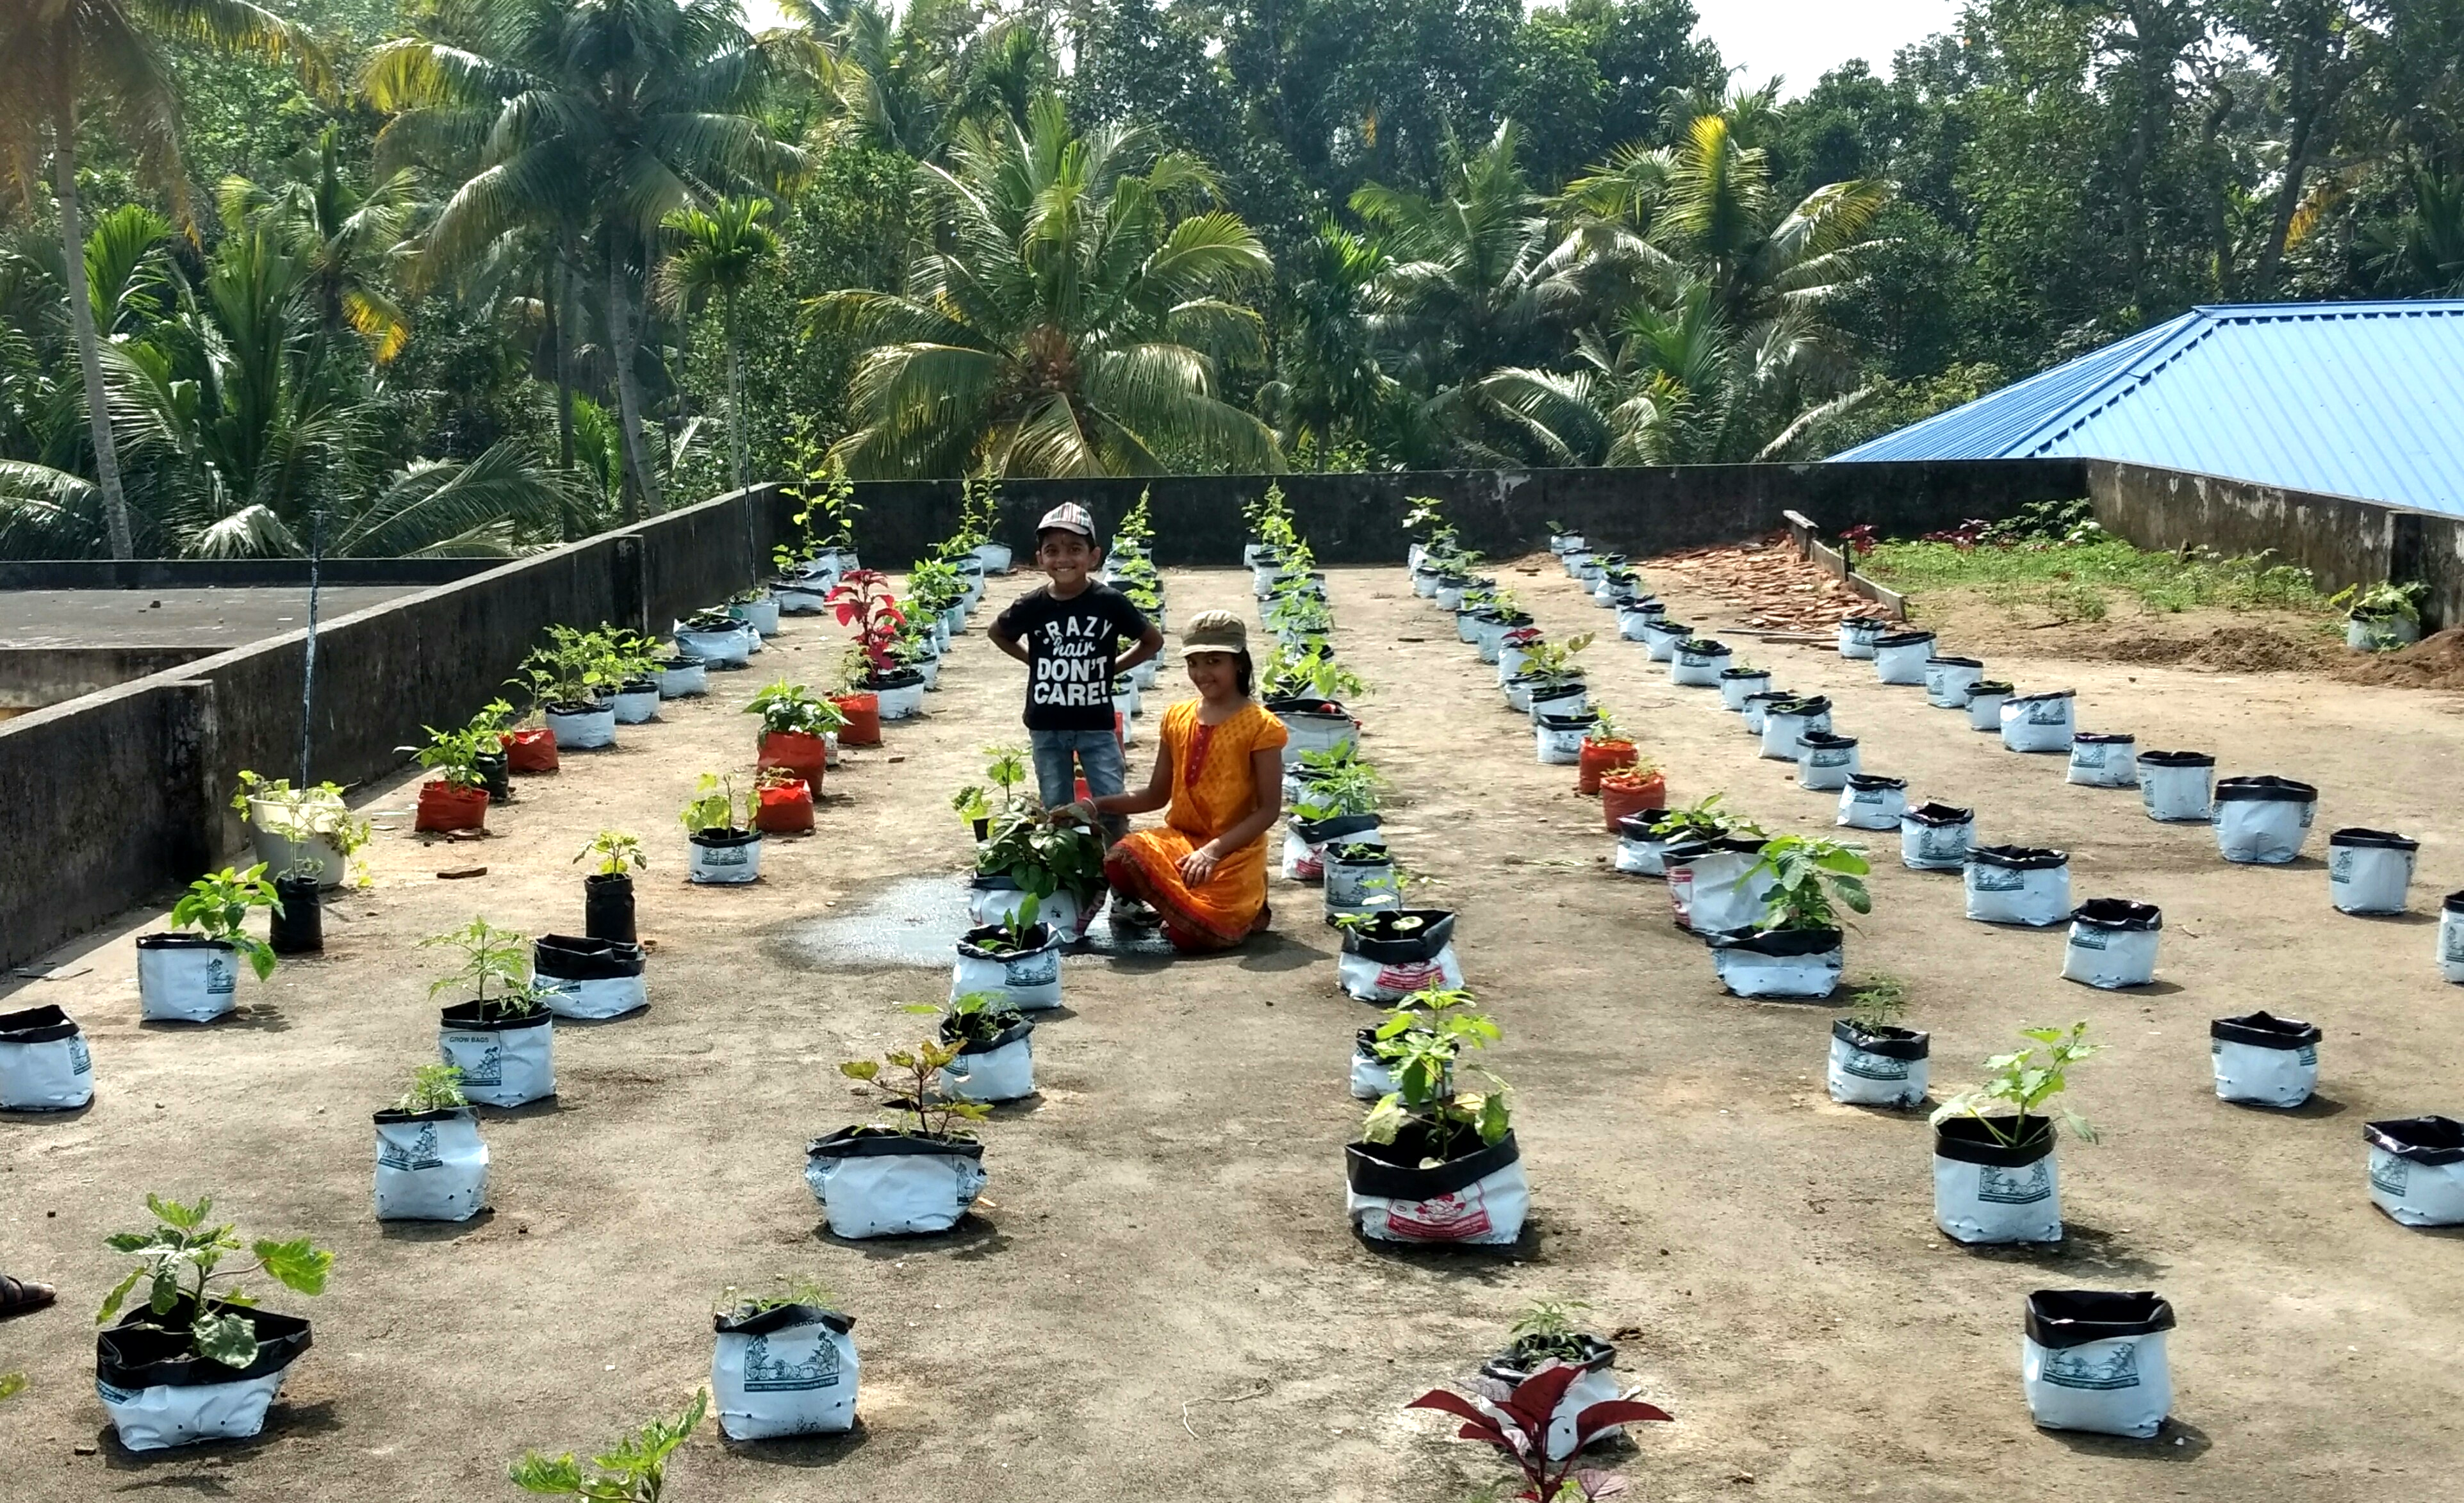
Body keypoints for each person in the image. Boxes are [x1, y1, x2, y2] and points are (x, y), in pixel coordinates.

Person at [1059, 610, 1288, 953]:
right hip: (1181, 845)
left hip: (1233, 854)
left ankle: (1222, 908)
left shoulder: (1262, 726)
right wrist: (1094, 804)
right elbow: (1155, 795)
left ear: (1239, 663)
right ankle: (1185, 907)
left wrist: (1213, 851)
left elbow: (1269, 810)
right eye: (1194, 662)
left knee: (1190, 937)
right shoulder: (1176, 717)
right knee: (1121, 860)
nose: (1201, 673)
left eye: (1214, 661)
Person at [990, 502, 1164, 847]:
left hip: (1096, 725)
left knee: (1111, 805)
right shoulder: (1032, 605)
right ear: (1040, 558)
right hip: (1047, 725)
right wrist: (1033, 662)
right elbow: (998, 632)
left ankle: (1119, 883)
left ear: (1094, 556)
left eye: (1075, 549)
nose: (1063, 559)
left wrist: (1112, 668)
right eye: (1052, 550)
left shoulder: (1110, 602)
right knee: (1057, 810)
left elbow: (1152, 641)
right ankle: (1070, 889)